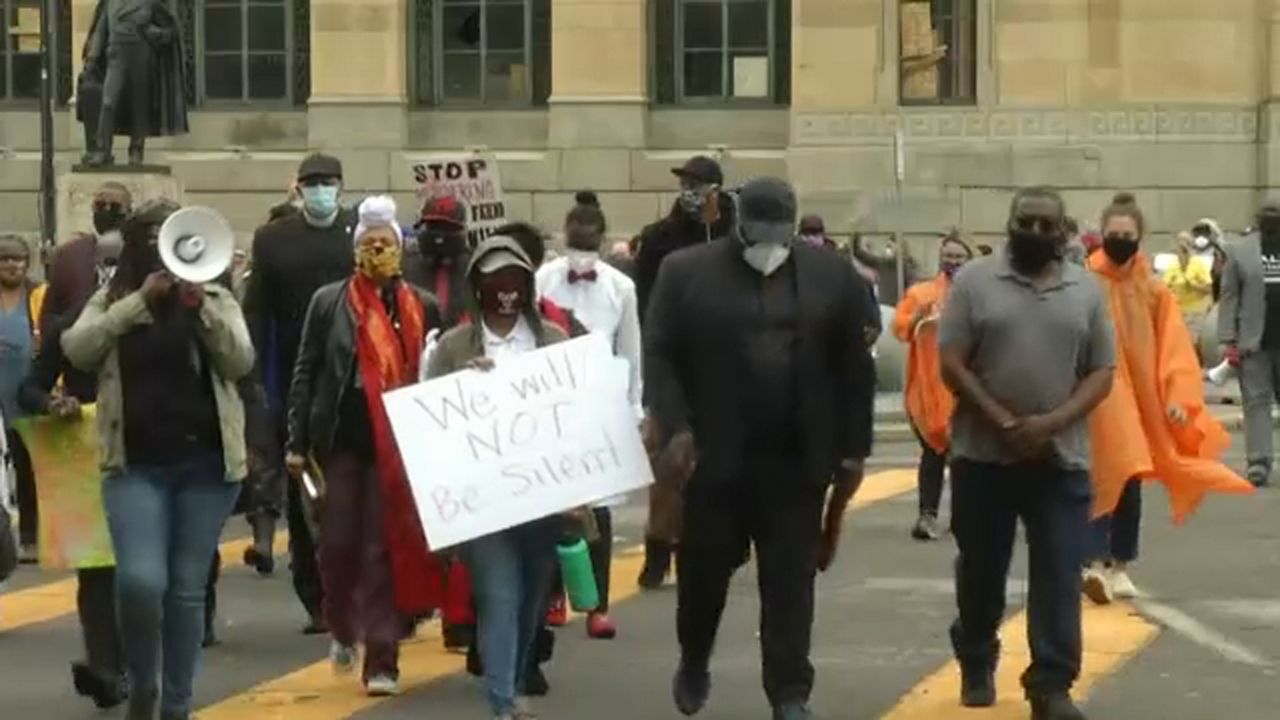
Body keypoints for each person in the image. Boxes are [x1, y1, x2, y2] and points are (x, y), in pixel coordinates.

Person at [646, 177, 875, 720]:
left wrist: (852, 449)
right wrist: (676, 428)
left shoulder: (832, 276)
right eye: (759, 233)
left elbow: (854, 370)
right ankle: (694, 659)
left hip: (796, 461)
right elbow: (660, 356)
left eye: (780, 233)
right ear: (737, 222)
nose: (769, 245)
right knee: (702, 578)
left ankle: (790, 693)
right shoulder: (685, 273)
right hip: (712, 460)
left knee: (790, 584)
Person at [61, 198, 253, 720]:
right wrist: (137, 304)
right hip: (135, 467)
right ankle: (143, 687)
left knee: (186, 590)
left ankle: (177, 705)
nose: (157, 251)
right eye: (147, 239)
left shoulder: (214, 295)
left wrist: (202, 308)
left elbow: (241, 358)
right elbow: (76, 347)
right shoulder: (113, 298)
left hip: (206, 469)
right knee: (142, 581)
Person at [938, 186, 1115, 720]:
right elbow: (950, 361)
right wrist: (1002, 419)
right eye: (1025, 222)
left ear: (1063, 232)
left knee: (1060, 575)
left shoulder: (1085, 289)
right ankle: (975, 652)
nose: (1035, 233)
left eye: (1046, 226)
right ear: (1009, 222)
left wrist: (1050, 424)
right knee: (982, 573)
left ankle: (1051, 686)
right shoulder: (975, 281)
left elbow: (1102, 372)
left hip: (1060, 460)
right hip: (983, 458)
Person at [286, 195, 442, 696]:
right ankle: (341, 625)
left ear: (400, 249)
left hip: (398, 445)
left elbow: (440, 373)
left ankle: (382, 658)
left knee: (383, 548)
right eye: (369, 244)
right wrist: (295, 440)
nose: (378, 251)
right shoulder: (329, 302)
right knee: (337, 545)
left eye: (387, 244)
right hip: (341, 440)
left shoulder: (423, 305)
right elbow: (306, 371)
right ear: (356, 251)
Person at [425, 235, 571, 720]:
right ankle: (502, 700)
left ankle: (513, 673)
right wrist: (463, 385)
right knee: (498, 595)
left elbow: (575, 412)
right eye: (494, 281)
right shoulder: (452, 346)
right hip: (483, 500)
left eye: (514, 281)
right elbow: (428, 415)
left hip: (542, 494)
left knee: (531, 598)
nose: (505, 292)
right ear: (477, 289)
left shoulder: (552, 338)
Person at [1082, 193, 1251, 606]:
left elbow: (1174, 349)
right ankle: (1094, 562)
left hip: (1142, 397)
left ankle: (1117, 564)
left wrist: (1178, 397)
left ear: (1139, 237)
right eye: (1113, 234)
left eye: (1127, 235)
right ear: (1102, 235)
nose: (1120, 240)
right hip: (1097, 393)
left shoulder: (1153, 290)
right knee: (1106, 470)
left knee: (1130, 474)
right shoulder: (1084, 282)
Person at [242, 152, 355, 629]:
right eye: (312, 183)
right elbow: (257, 312)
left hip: (357, 381)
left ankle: (355, 590)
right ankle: (316, 595)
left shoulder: (360, 234)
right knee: (304, 492)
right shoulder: (273, 241)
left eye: (328, 182)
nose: (321, 190)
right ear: (298, 189)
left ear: (341, 186)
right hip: (296, 383)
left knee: (357, 490)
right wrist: (252, 380)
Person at [536, 191, 642, 640]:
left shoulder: (622, 287)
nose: (580, 260)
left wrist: (633, 407)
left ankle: (596, 601)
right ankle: (554, 595)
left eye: (588, 250)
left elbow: (632, 351)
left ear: (601, 244)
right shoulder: (542, 279)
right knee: (551, 504)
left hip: (600, 402)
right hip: (550, 402)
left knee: (597, 508)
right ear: (563, 242)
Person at [633, 155, 737, 590]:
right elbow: (645, 304)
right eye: (685, 184)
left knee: (719, 467)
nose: (690, 191)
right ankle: (658, 549)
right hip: (673, 367)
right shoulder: (660, 239)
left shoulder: (735, 238)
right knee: (667, 461)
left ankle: (708, 547)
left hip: (726, 370)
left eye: (698, 184)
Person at [894, 234, 973, 541]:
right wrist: (917, 317)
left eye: (959, 256)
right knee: (931, 453)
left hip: (964, 391)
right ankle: (927, 515)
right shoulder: (921, 292)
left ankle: (965, 517)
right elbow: (901, 328)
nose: (952, 261)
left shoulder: (976, 294)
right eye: (948, 256)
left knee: (964, 458)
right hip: (927, 390)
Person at [1218, 200, 1280, 487]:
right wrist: (1227, 338)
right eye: (1266, 214)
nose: (1271, 219)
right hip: (1254, 341)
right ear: (1257, 218)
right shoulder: (1240, 249)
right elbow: (1229, 296)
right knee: (1256, 402)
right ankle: (1259, 462)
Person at [0, 235, 47, 564]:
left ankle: (31, 536)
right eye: (4, 259)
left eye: (17, 259)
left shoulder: (39, 295)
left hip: (26, 391)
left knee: (30, 466)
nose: (11, 264)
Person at [403, 195, 472, 329]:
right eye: (433, 227)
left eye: (446, 228)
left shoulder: (475, 268)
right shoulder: (407, 267)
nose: (439, 235)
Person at [1162, 231, 1215, 339]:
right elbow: (1164, 287)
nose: (1181, 249)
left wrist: (1194, 285)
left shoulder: (1198, 264)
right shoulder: (1173, 266)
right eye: (1179, 245)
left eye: (1184, 245)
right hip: (1178, 311)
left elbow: (1209, 289)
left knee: (1191, 342)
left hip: (1195, 313)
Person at [852, 233, 918, 307]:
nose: (889, 250)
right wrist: (855, 235)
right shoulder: (883, 263)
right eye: (888, 246)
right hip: (884, 306)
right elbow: (858, 253)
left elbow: (913, 288)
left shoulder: (907, 266)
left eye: (891, 246)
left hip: (899, 308)